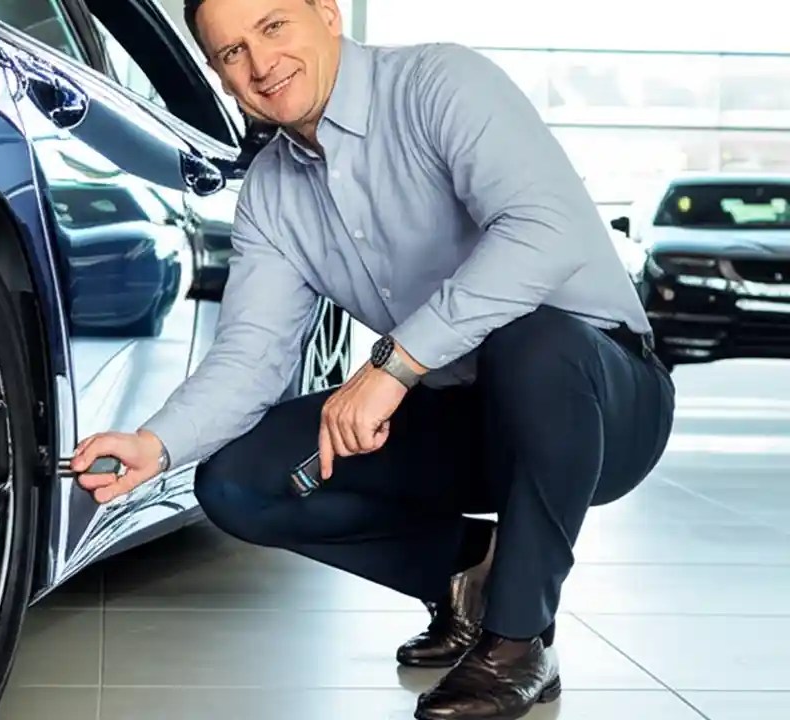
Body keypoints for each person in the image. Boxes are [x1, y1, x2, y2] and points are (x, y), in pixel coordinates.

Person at [69, 0, 676, 717]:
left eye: (272, 26)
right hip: (467, 420)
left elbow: (543, 232)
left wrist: (392, 366)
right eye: (232, 53)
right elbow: (252, 356)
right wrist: (154, 443)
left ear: (326, 12)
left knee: (532, 337)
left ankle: (517, 642)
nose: (261, 65)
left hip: (600, 400)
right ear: (219, 74)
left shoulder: (439, 84)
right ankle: (469, 572)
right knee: (238, 482)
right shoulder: (271, 193)